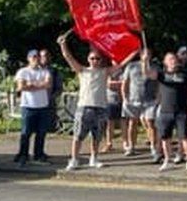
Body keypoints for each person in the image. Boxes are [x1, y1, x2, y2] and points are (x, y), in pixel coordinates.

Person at [57, 33, 136, 170]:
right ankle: (74, 159)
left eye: (97, 59)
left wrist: (134, 52)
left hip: (100, 107)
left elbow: (122, 63)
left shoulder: (105, 71)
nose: (95, 61)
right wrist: (63, 45)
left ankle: (94, 158)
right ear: (88, 59)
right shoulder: (82, 70)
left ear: (101, 60)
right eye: (92, 58)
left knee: (97, 136)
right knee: (78, 135)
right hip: (84, 107)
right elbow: (68, 57)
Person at [143, 50, 187, 171]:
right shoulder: (161, 74)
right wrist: (145, 60)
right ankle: (167, 160)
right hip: (166, 110)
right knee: (165, 137)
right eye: (170, 59)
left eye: (174, 59)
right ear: (165, 62)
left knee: (185, 136)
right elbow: (147, 73)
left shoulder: (184, 74)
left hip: (181, 110)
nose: (173, 61)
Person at [14, 49, 52, 167]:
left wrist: (31, 85)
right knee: (26, 132)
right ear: (28, 58)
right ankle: (23, 154)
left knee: (41, 132)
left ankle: (38, 154)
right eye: (33, 57)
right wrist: (39, 85)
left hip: (42, 106)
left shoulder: (45, 71)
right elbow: (21, 87)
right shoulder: (23, 72)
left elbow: (48, 84)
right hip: (28, 106)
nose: (36, 59)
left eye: (37, 57)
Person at [121, 49, 159, 159]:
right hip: (133, 99)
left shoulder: (155, 67)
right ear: (140, 55)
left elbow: (156, 80)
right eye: (145, 54)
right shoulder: (131, 66)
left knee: (150, 123)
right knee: (132, 123)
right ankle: (131, 146)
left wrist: (158, 97)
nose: (147, 55)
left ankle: (153, 147)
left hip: (149, 100)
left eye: (149, 54)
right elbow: (125, 82)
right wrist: (125, 97)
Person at [39, 49, 62, 134]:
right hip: (35, 103)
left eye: (46, 56)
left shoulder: (55, 72)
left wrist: (52, 97)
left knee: (50, 129)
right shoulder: (33, 71)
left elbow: (59, 88)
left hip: (50, 104)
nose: (45, 58)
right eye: (42, 56)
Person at [102, 68, 124, 153]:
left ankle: (125, 143)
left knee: (124, 123)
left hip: (123, 100)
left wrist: (116, 84)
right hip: (110, 100)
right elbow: (108, 85)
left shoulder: (125, 71)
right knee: (110, 123)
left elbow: (127, 83)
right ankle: (109, 143)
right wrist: (120, 83)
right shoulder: (107, 71)